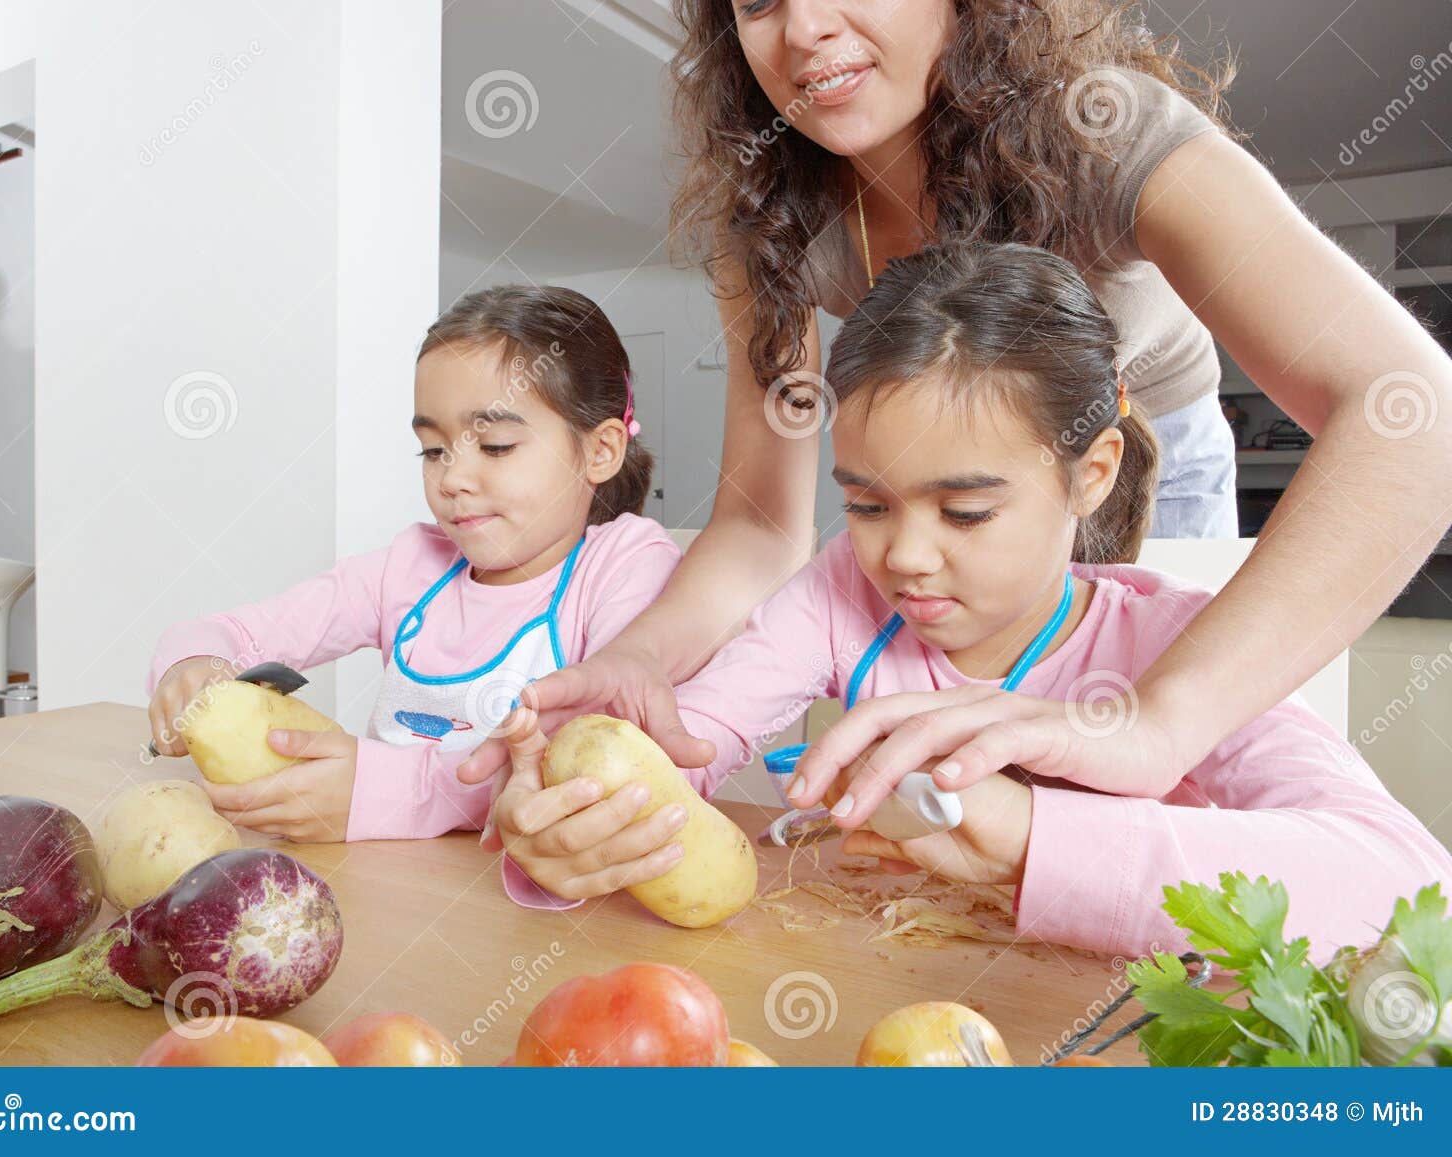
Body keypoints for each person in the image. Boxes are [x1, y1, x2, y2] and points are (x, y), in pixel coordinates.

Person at [460, 1, 1452, 888]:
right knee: (987, 830)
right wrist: (639, 657)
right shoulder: (770, 215)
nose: (801, 26)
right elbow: (762, 524)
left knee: (1151, 789)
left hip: (1150, 440)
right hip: (959, 470)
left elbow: (1414, 415)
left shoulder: (1101, 131)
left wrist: (1159, 721)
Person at [497, 240, 1451, 957]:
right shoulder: (842, 592)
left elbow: (1414, 892)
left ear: (1092, 472)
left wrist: (1037, 834)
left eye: (965, 510)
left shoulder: (1185, 648)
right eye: (865, 503)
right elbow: (693, 749)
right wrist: (580, 809)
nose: (904, 557)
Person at [145, 285, 685, 905]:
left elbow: (597, 772)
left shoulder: (623, 566)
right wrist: (193, 666)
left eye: (496, 446)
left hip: (525, 916)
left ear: (600, 450)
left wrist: (387, 792)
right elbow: (227, 633)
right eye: (433, 450)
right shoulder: (409, 568)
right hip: (383, 900)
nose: (452, 478)